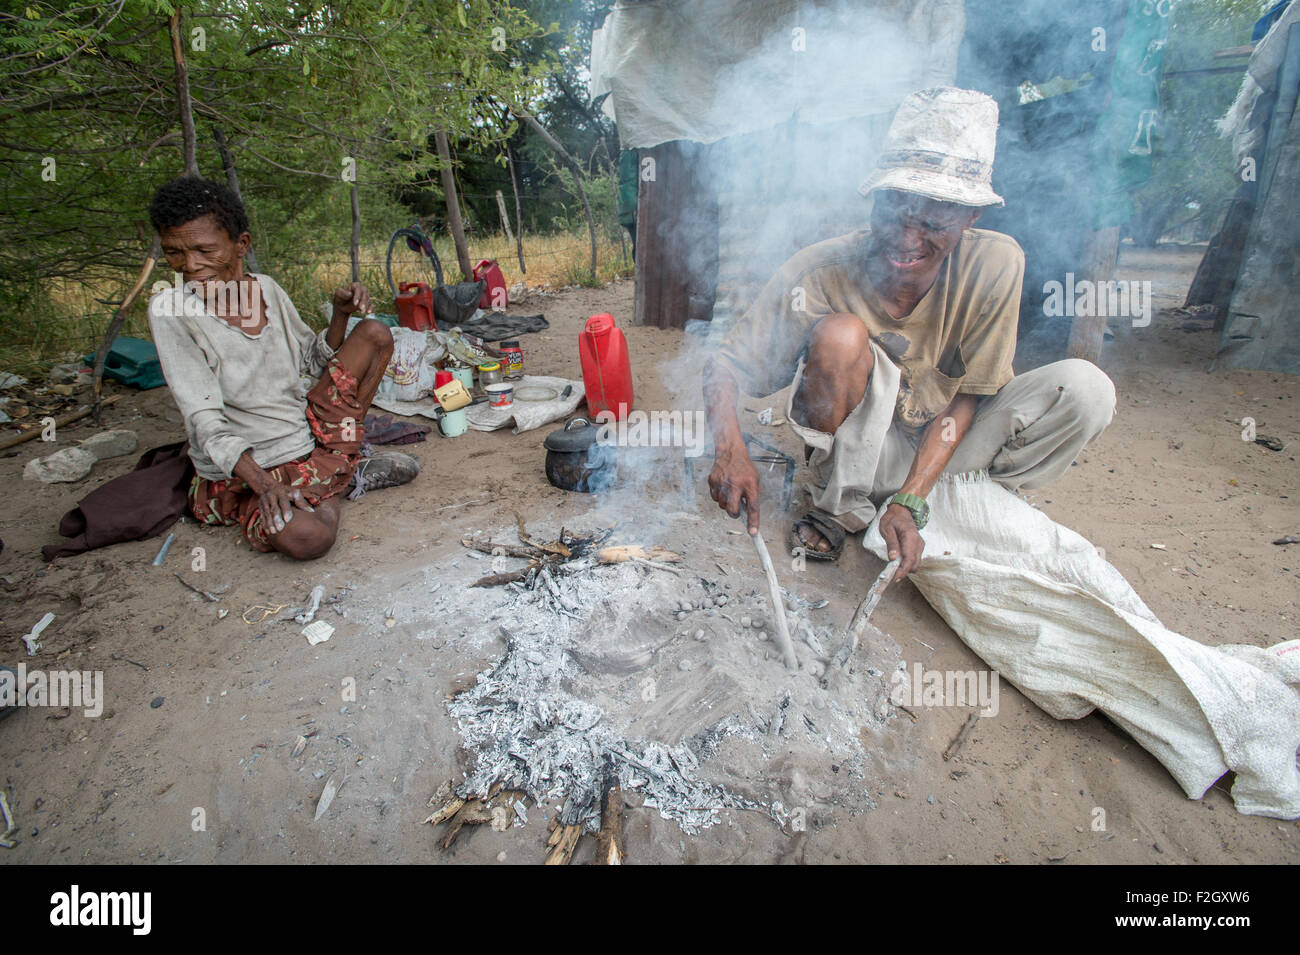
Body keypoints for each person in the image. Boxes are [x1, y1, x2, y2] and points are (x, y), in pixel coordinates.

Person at [703, 87, 1116, 581]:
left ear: (971, 217)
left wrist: (912, 498)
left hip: (948, 450)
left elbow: (974, 395)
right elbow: (725, 365)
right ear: (875, 199)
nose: (905, 240)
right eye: (893, 212)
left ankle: (950, 504)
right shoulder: (818, 271)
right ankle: (844, 507)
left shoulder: (997, 262)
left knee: (1087, 389)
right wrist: (730, 451)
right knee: (839, 335)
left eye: (932, 222)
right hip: (862, 460)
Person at [147, 176, 419, 560]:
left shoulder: (267, 289)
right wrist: (263, 486)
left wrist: (340, 315)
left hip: (304, 434)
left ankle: (333, 473)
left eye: (204, 250)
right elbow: (203, 419)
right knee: (308, 539)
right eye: (174, 253)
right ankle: (338, 481)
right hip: (247, 470)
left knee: (375, 334)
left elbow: (312, 359)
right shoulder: (171, 310)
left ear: (241, 244)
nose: (190, 266)